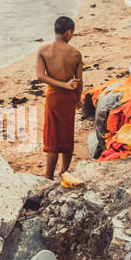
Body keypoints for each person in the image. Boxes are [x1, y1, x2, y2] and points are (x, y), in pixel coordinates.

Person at [36, 16, 83, 179]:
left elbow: (40, 76)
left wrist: (60, 85)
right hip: (68, 98)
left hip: (53, 96)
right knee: (67, 133)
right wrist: (78, 100)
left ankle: (48, 175)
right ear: (69, 32)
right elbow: (79, 82)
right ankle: (64, 170)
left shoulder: (43, 51)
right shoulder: (76, 54)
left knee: (52, 138)